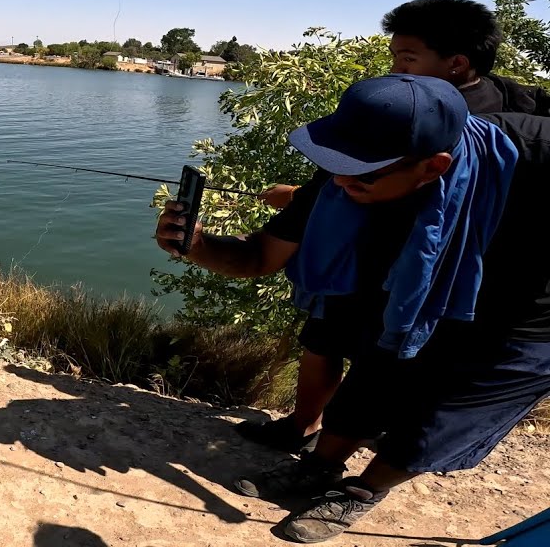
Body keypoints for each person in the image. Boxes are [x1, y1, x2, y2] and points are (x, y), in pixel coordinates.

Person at [155, 74, 550, 542]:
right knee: (375, 375)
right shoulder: (349, 169)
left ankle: (362, 491)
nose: (341, 180)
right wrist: (196, 246)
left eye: (362, 173)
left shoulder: (536, 160)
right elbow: (259, 255)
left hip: (530, 312)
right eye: (336, 164)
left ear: (433, 166)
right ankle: (319, 467)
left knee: (446, 413)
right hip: (413, 291)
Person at [241, 0, 550, 454]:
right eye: (393, 58)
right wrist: (306, 195)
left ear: (458, 63)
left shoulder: (492, 125)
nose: (395, 71)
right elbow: (352, 170)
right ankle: (301, 428)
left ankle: (331, 459)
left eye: (407, 58)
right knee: (322, 341)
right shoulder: (407, 104)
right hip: (354, 255)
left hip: (415, 272)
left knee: (382, 363)